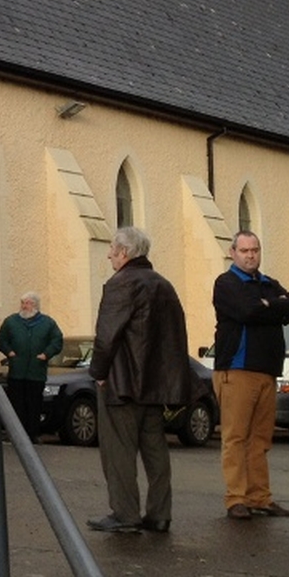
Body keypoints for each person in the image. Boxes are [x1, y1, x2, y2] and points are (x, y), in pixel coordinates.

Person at [85, 227, 201, 534]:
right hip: (154, 385)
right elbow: (174, 339)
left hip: (122, 383)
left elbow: (107, 336)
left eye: (112, 249)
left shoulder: (120, 284)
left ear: (124, 252)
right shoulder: (164, 285)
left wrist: (97, 372)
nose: (109, 253)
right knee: (155, 450)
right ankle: (160, 513)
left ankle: (124, 513)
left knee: (119, 450)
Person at [212, 230, 289, 519]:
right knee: (236, 437)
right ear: (233, 253)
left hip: (267, 370)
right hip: (237, 369)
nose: (251, 255)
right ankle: (236, 498)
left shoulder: (267, 283)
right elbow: (246, 311)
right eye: (244, 250)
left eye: (255, 250)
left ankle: (259, 497)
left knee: (261, 438)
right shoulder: (226, 283)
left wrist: (269, 305)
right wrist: (273, 307)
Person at [0, 292, 63, 443]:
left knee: (34, 405)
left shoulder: (47, 323)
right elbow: (1, 339)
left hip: (36, 372)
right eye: (23, 303)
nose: (24, 306)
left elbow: (57, 340)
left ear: (35, 305)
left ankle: (32, 434)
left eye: (28, 303)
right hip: (17, 372)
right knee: (17, 404)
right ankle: (16, 434)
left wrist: (46, 354)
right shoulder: (11, 321)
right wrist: (9, 352)